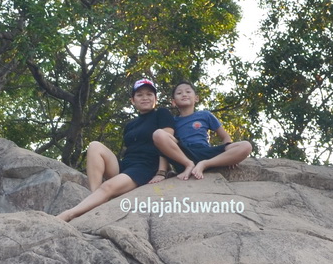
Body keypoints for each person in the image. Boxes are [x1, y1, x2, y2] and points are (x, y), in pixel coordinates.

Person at [57, 78, 193, 222]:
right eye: (140, 95)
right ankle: (95, 197)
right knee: (94, 146)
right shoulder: (130, 125)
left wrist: (161, 172)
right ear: (132, 100)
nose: (145, 97)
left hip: (145, 167)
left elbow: (167, 145)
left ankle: (69, 214)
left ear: (155, 98)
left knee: (108, 186)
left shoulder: (162, 113)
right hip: (127, 165)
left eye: (149, 94)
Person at [159, 81, 253, 180]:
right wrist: (162, 171)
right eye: (179, 93)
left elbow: (225, 137)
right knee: (160, 134)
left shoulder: (205, 115)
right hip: (185, 153)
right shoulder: (172, 121)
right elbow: (165, 145)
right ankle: (188, 165)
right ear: (173, 102)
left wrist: (230, 157)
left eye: (188, 91)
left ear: (196, 98)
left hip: (205, 152)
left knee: (246, 146)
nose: (184, 94)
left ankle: (204, 164)